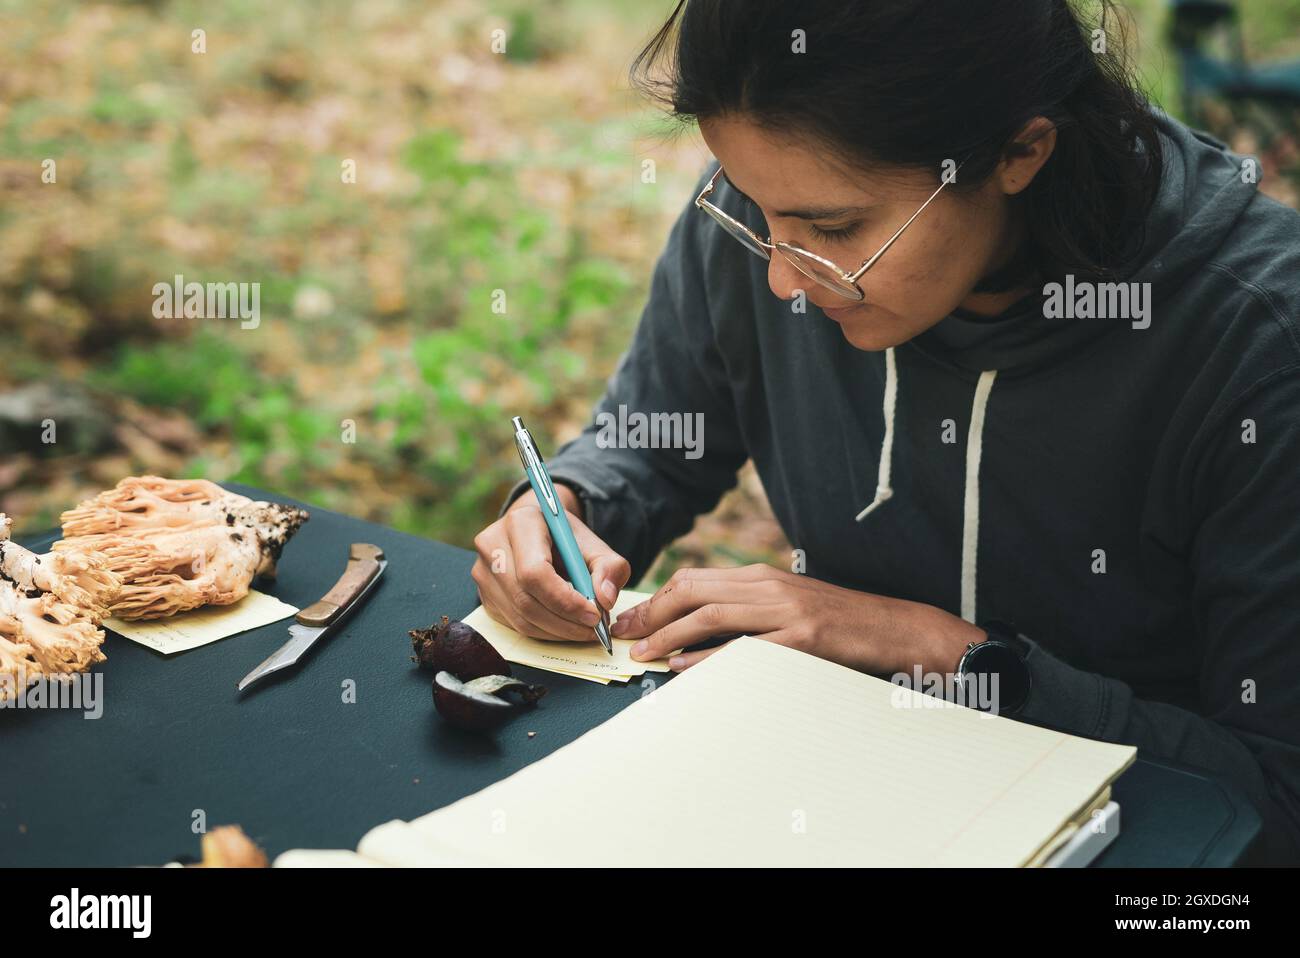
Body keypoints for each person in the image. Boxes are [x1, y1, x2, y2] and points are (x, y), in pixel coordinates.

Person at [471, 0, 1300, 864]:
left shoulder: (1260, 346)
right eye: (753, 206)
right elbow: (649, 445)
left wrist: (943, 654)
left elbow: (1275, 799)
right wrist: (568, 507)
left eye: (833, 230)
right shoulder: (772, 222)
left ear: (1021, 152)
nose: (784, 279)